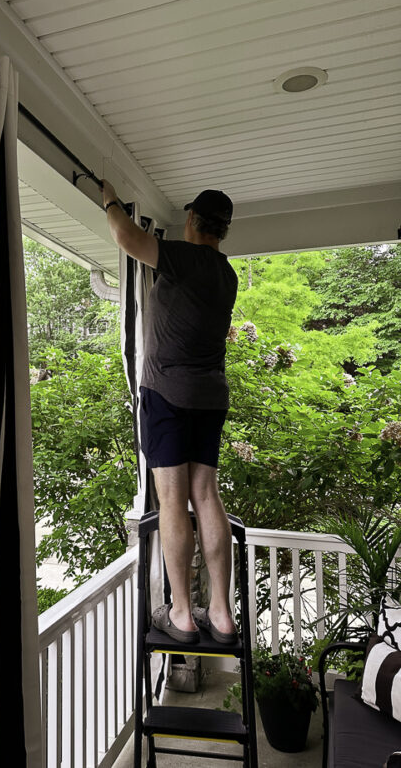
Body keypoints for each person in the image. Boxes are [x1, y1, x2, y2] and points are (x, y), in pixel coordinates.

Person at [102, 180, 238, 644]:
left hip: (167, 394)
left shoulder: (184, 257)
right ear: (224, 231)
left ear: (192, 223)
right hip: (210, 395)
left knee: (173, 501)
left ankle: (181, 613)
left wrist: (109, 199)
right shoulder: (225, 274)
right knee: (207, 495)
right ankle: (220, 614)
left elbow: (126, 237)